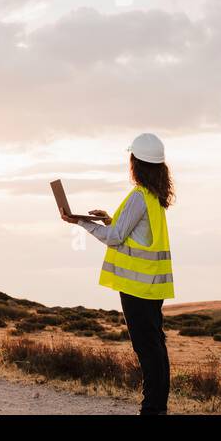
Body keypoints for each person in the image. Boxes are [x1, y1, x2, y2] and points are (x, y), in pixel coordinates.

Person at [61, 132, 174, 415]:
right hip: (151, 286)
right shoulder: (153, 196)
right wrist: (110, 219)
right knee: (156, 346)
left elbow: (116, 237)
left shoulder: (139, 196)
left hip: (137, 287)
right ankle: (157, 406)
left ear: (135, 162)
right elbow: (136, 233)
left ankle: (151, 408)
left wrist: (81, 223)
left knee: (147, 350)